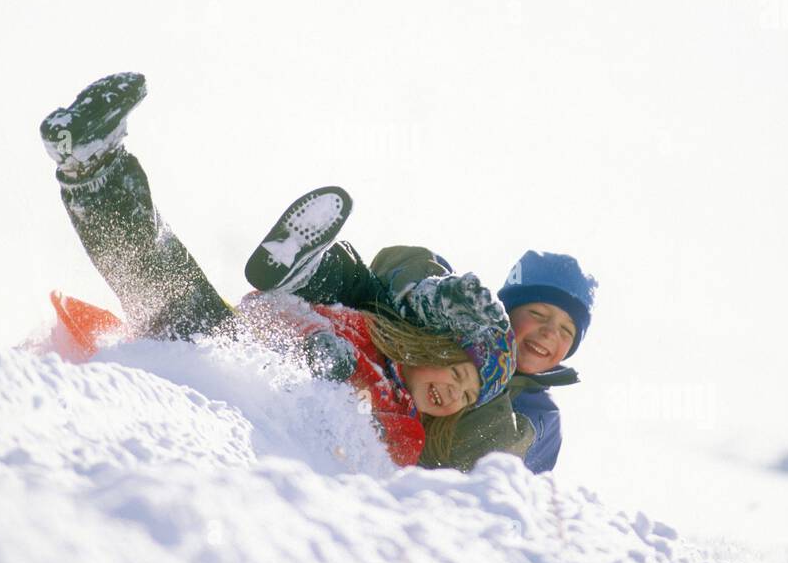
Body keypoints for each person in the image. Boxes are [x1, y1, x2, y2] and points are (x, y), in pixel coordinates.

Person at [39, 71, 516, 469]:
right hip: (229, 356)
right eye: (459, 373)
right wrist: (318, 348)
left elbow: (368, 457)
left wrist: (349, 380)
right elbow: (273, 316)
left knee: (164, 284)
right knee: (164, 279)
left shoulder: (409, 430)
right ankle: (90, 160)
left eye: (468, 397)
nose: (454, 393)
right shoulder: (367, 331)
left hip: (255, 433)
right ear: (433, 343)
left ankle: (93, 168)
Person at [247, 231, 597, 475]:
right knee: (367, 289)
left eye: (567, 331)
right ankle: (302, 273)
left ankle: (303, 328)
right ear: (506, 311)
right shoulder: (465, 331)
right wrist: (424, 300)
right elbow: (403, 261)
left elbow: (489, 460)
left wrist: (491, 389)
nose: (550, 333)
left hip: (408, 463)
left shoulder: (540, 416)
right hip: (362, 347)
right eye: (538, 315)